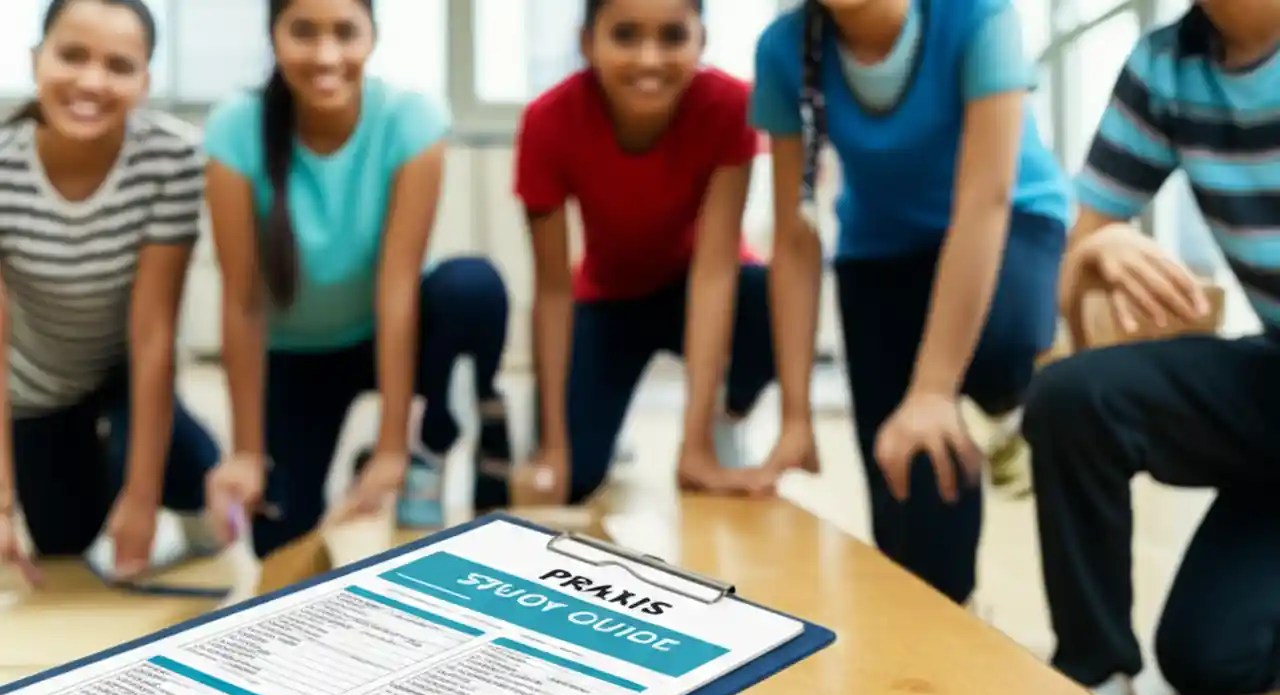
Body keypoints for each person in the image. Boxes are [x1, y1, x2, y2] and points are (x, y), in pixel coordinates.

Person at [751, 0, 1070, 604]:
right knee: (908, 496)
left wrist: (932, 388)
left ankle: (1011, 401)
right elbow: (794, 238)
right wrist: (795, 418)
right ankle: (954, 609)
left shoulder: (977, 16)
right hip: (882, 252)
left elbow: (984, 201)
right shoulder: (784, 49)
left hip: (1012, 223)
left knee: (989, 348)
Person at [1021, 2, 1280, 695]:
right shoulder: (1164, 66)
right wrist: (1098, 251)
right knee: (1212, 659)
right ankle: (1095, 674)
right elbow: (1075, 269)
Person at [201, 0, 511, 558]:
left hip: (381, 335)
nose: (326, 56)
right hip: (294, 357)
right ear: (273, 35)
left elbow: (397, 288)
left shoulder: (410, 119)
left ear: (373, 36)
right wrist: (247, 451)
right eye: (303, 32)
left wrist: (392, 450)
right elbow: (241, 301)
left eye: (346, 33)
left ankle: (429, 439)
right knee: (279, 540)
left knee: (471, 288)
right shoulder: (235, 128)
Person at [514, 0, 777, 504]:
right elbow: (551, 292)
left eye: (673, 37)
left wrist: (695, 448)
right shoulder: (548, 120)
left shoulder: (731, 106)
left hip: (699, 286)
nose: (649, 59)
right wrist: (553, 447)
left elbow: (714, 272)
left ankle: (724, 416)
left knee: (770, 296)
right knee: (573, 478)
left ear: (702, 40)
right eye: (626, 36)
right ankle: (597, 431)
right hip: (608, 300)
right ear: (587, 42)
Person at [0, 0, 220, 584]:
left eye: (119, 66)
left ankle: (195, 507)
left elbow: (152, 335)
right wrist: (2, 503)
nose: (92, 82)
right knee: (64, 543)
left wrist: (142, 500)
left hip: (123, 368)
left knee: (184, 469)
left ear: (145, 81)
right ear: (36, 59)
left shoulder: (173, 158)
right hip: (38, 388)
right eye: (72, 56)